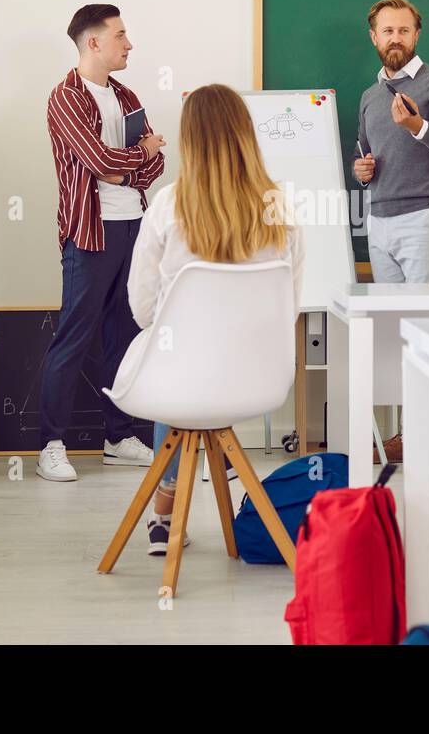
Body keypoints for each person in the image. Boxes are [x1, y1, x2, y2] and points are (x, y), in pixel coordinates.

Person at [122, 83, 303, 554]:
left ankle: (164, 512)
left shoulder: (166, 205)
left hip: (181, 379)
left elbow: (142, 311)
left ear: (189, 140)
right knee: (187, 361)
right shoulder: (280, 207)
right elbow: (290, 308)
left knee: (171, 355)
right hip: (255, 379)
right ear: (246, 134)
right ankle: (208, 469)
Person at [37, 4, 167, 482]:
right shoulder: (66, 97)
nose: (128, 44)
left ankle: (118, 437)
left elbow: (152, 168)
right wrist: (138, 156)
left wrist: (128, 163)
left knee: (125, 333)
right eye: (121, 35)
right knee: (75, 335)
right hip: (90, 230)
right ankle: (51, 443)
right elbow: (98, 160)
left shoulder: (126, 94)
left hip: (135, 224)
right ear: (93, 42)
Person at [353, 0, 429, 462]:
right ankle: (409, 435)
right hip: (379, 221)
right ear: (374, 37)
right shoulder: (368, 96)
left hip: (425, 219)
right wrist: (361, 170)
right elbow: (368, 153)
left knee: (428, 332)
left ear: (416, 34)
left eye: (404, 30)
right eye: (387, 31)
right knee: (395, 336)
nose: (395, 39)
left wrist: (419, 125)